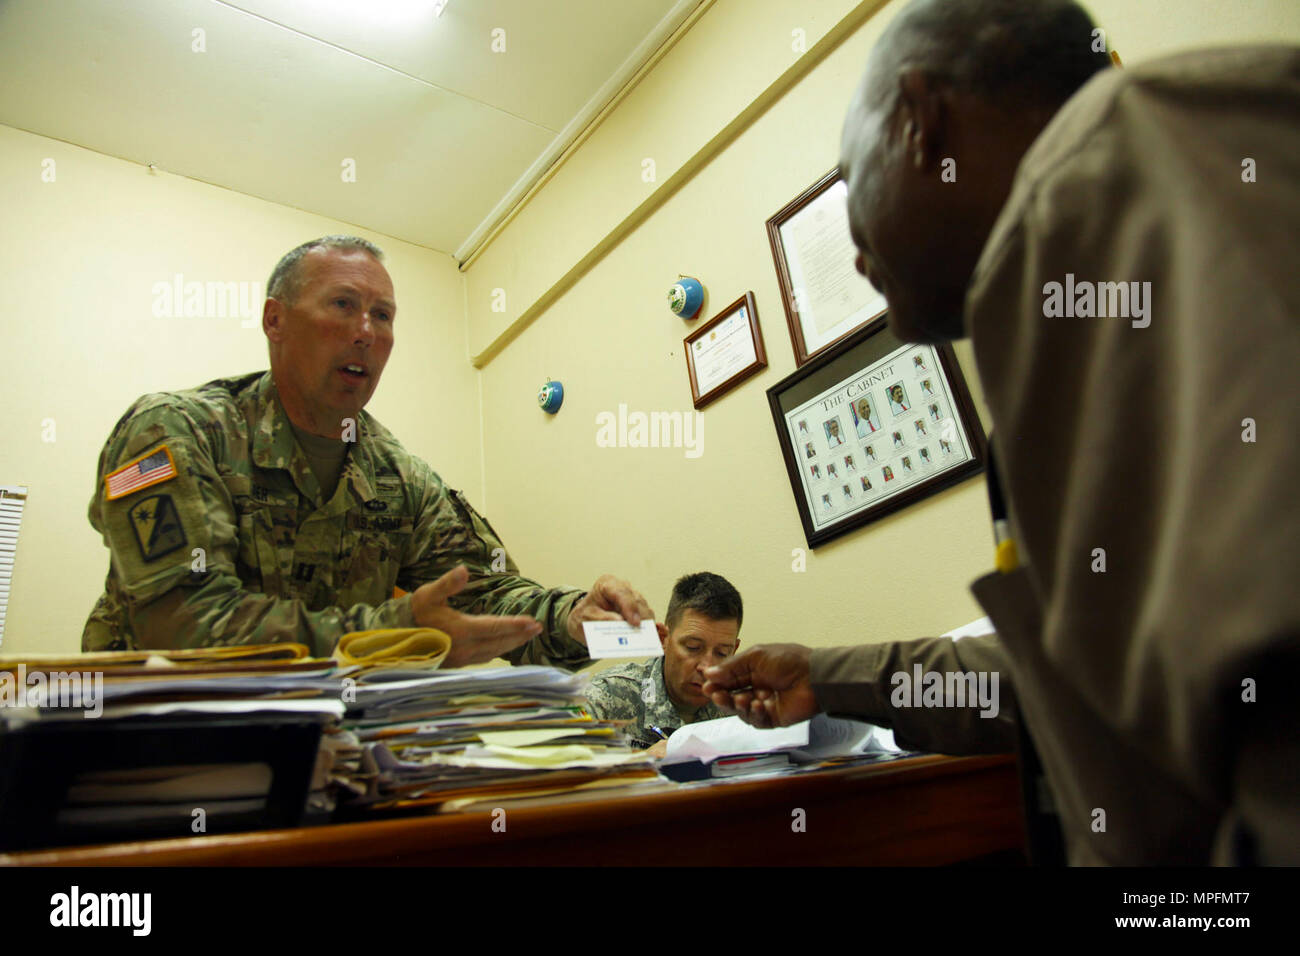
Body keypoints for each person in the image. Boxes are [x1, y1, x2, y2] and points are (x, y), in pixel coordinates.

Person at [705, 0, 1300, 865]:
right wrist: (828, 676)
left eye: (849, 179)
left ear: (918, 117)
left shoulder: (1116, 169)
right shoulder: (1095, 226)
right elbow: (1070, 681)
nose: (859, 255)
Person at [84, 236, 654, 666]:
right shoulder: (176, 431)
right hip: (152, 751)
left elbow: (484, 592)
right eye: (342, 305)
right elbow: (185, 626)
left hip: (332, 752)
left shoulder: (399, 477)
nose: (366, 332)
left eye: (382, 316)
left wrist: (572, 617)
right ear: (274, 320)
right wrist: (398, 631)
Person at [584, 572, 742, 754]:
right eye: (693, 647)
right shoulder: (607, 697)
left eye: (722, 653)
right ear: (663, 639)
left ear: (734, 651)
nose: (707, 668)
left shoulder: (741, 706)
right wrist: (639, 762)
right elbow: (558, 769)